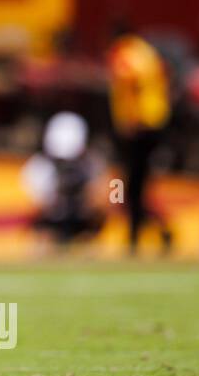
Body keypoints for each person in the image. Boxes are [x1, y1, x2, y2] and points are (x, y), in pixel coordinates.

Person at [106, 22, 173, 255]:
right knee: (138, 185)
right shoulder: (148, 51)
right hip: (155, 122)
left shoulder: (126, 53)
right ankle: (153, 232)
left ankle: (136, 236)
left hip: (139, 127)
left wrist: (130, 120)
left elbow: (130, 83)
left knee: (132, 185)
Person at [20, 111, 105, 249]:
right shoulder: (38, 166)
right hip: (52, 218)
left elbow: (114, 188)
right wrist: (54, 203)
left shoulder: (92, 164)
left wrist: (95, 199)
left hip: (82, 219)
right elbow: (32, 203)